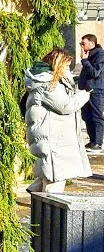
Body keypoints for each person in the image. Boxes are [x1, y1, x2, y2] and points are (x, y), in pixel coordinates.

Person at [24, 47, 93, 192]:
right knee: (55, 178)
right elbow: (66, 105)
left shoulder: (47, 81)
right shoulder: (47, 84)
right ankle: (47, 211)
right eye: (66, 66)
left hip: (53, 134)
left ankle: (36, 193)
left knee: (51, 173)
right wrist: (84, 95)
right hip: (51, 137)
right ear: (59, 65)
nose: (68, 69)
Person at [80, 34, 104, 154]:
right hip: (86, 90)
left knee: (97, 116)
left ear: (92, 44)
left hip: (96, 90)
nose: (81, 46)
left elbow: (95, 73)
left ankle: (98, 143)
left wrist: (84, 60)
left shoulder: (100, 55)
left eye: (83, 44)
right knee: (86, 116)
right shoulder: (89, 55)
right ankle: (92, 141)